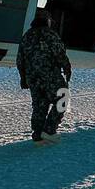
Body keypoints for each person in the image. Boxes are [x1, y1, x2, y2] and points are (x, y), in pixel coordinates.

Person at [17, 8, 72, 145]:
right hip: (50, 75)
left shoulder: (27, 36)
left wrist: (23, 78)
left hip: (32, 77)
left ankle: (38, 135)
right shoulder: (49, 34)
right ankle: (49, 131)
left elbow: (20, 60)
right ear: (46, 20)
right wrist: (67, 67)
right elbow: (59, 52)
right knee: (63, 98)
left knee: (39, 105)